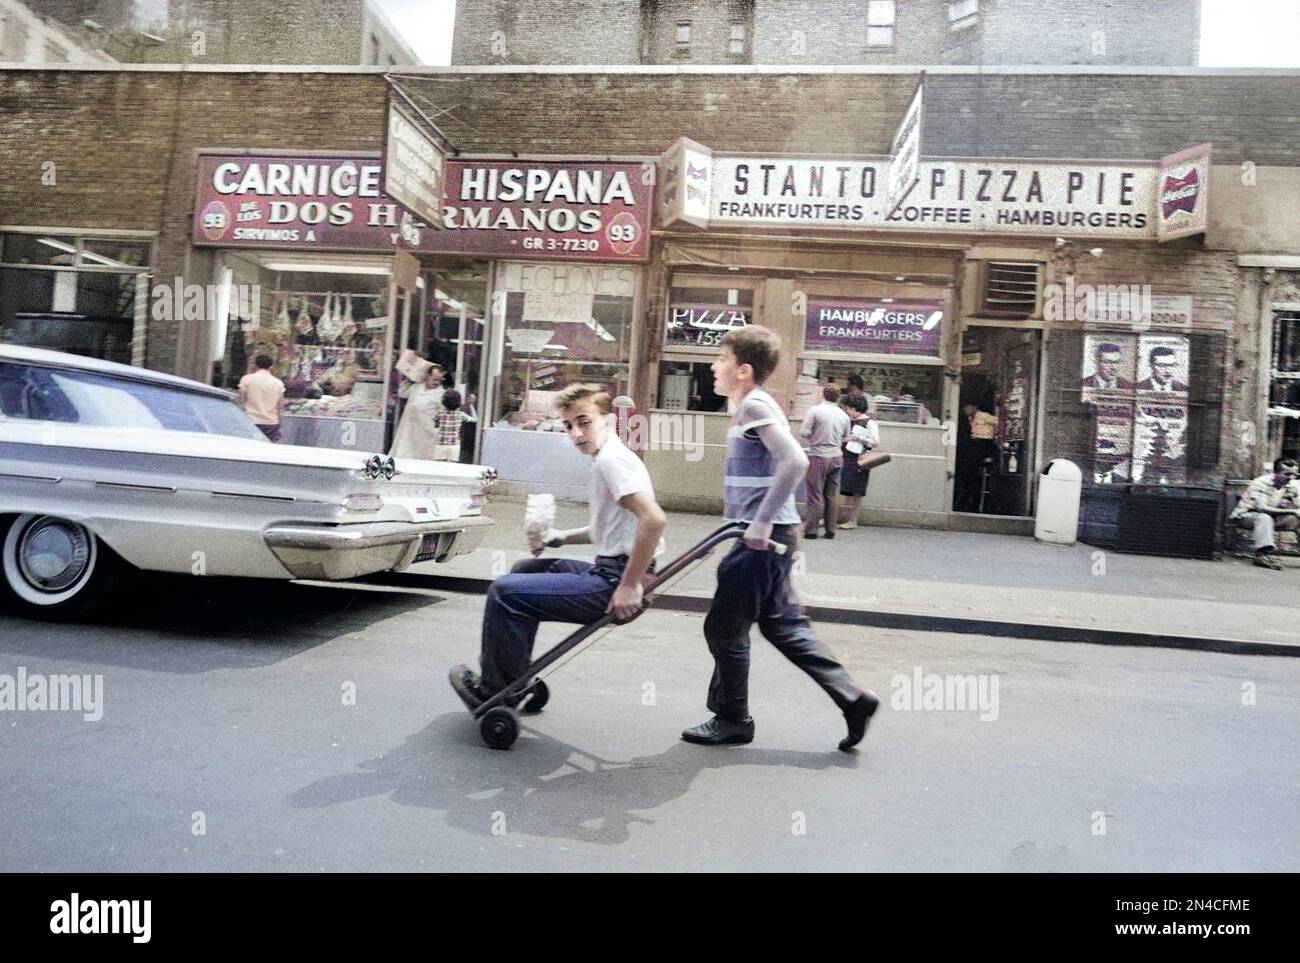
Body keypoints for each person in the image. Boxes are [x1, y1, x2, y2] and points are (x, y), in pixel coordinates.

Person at [681, 324, 879, 751]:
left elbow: (793, 461)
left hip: (762, 541)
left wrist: (759, 522)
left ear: (743, 370)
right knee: (783, 625)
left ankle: (732, 718)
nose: (713, 366)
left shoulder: (754, 404)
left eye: (721, 359)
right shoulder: (750, 406)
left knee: (724, 628)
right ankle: (853, 699)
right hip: (770, 535)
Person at [449, 384, 667, 706]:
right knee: (525, 570)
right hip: (611, 569)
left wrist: (628, 585)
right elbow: (608, 530)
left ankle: (495, 691)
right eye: (568, 426)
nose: (576, 433)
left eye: (584, 422)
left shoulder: (611, 462)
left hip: (614, 580)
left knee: (505, 592)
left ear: (607, 419)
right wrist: (560, 537)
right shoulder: (610, 457)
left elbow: (654, 520)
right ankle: (515, 674)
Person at [800, 385, 851, 539]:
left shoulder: (815, 410)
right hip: (837, 456)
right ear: (838, 397)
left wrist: (814, 435)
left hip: (818, 455)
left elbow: (804, 432)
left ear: (823, 394)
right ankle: (831, 529)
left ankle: (812, 530)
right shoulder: (844, 416)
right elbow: (846, 438)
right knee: (831, 495)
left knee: (814, 494)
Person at [1231, 457, 1300, 570]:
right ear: (1276, 473)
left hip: (1273, 518)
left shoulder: (1289, 485)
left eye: (1294, 475)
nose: (1291, 478)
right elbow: (1261, 508)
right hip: (1247, 516)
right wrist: (1292, 510)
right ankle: (1262, 555)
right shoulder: (1261, 482)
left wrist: (1295, 502)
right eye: (1287, 474)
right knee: (1264, 517)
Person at [837, 396, 880, 529]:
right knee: (847, 489)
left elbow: (875, 441)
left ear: (857, 409)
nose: (848, 411)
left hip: (860, 458)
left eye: (850, 408)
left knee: (857, 491)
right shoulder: (849, 421)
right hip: (847, 456)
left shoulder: (869, 423)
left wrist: (859, 438)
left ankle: (853, 520)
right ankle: (844, 518)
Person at [389, 362, 445, 460]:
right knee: (403, 455)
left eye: (440, 380)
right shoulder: (417, 387)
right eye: (435, 379)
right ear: (428, 376)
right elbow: (402, 393)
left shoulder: (441, 393)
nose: (436, 382)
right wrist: (409, 378)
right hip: (408, 427)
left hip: (425, 432)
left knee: (420, 458)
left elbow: (443, 414)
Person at [237, 354, 286, 442]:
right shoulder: (278, 383)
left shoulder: (246, 379)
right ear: (271, 366)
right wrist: (280, 423)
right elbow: (280, 406)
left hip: (250, 420)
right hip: (270, 422)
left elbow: (241, 400)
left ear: (255, 365)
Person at [433, 390, 471, 462]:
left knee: (438, 465)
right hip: (454, 444)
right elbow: (472, 419)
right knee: (452, 466)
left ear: (444, 402)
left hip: (441, 443)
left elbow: (435, 421)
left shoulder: (440, 413)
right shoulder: (461, 415)